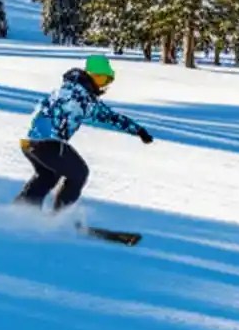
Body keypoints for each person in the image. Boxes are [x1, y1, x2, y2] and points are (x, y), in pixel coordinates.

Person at [14, 54, 152, 213]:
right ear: (93, 76)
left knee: (48, 175)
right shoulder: (82, 96)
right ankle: (58, 217)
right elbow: (110, 117)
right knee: (79, 173)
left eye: (107, 81)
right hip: (48, 143)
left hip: (29, 142)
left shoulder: (66, 89)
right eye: (102, 80)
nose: (103, 86)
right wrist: (139, 130)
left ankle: (22, 211)